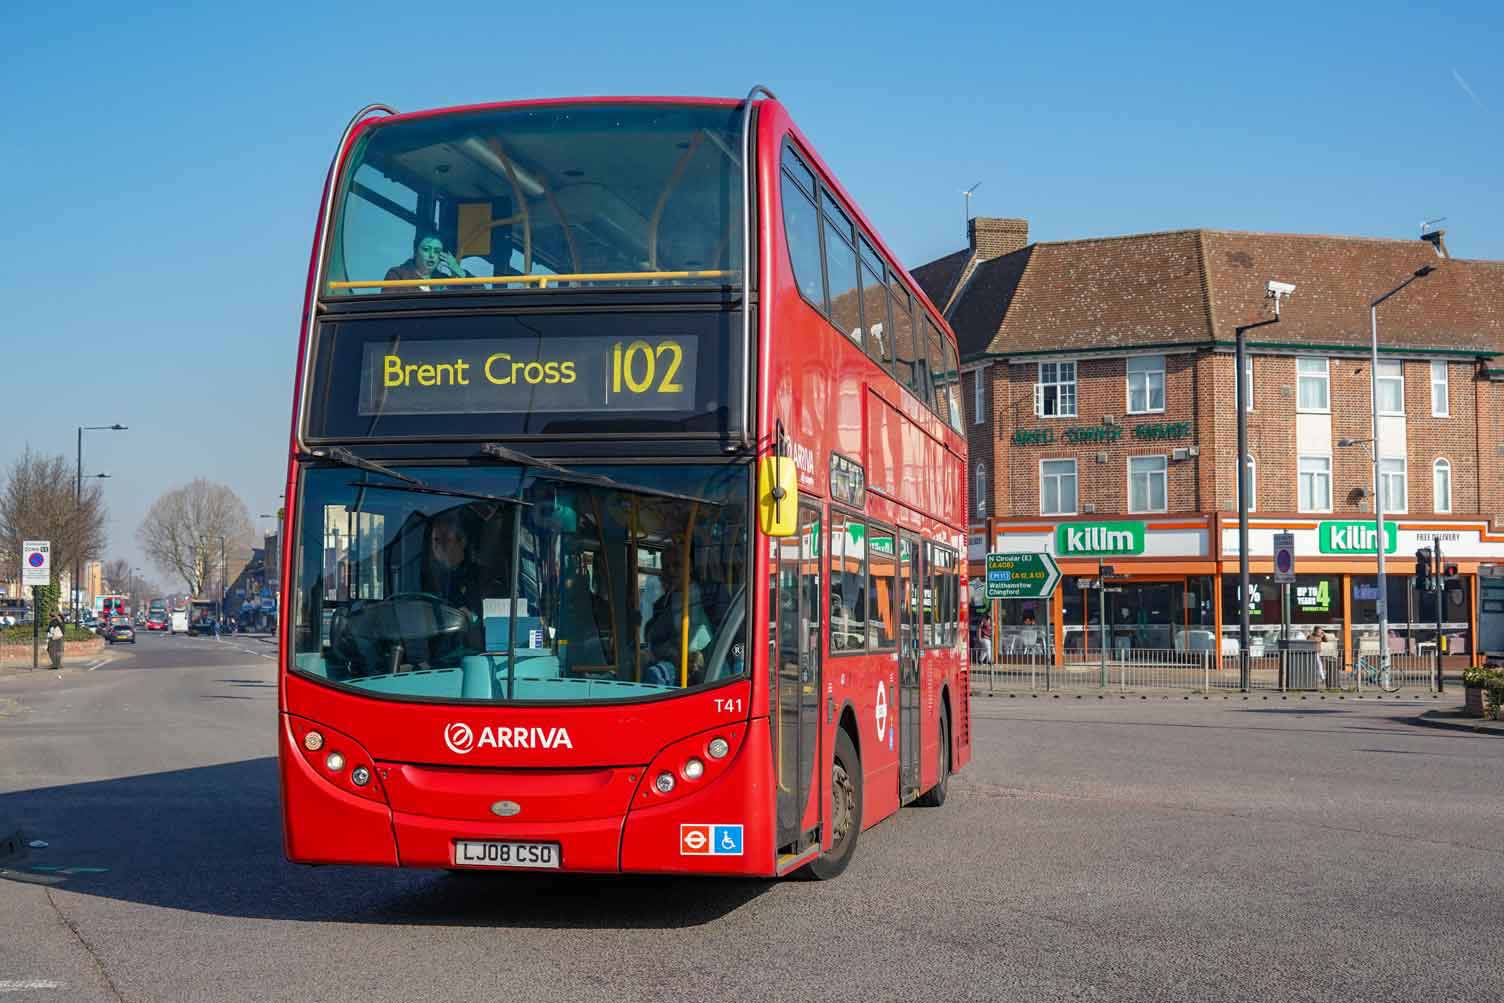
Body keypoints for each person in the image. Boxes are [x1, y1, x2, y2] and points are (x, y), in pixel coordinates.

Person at [642, 539, 711, 687]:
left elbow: (731, 640)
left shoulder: (711, 595)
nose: (671, 571)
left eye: (677, 565)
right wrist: (673, 654)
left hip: (710, 676)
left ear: (690, 566)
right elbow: (653, 640)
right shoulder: (662, 604)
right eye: (666, 567)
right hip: (677, 674)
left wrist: (703, 657)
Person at [385, 232, 469, 290]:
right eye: (426, 249)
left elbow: (479, 296)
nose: (431, 255)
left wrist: (460, 272)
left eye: (437, 251)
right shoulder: (397, 275)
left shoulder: (444, 280)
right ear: (415, 252)